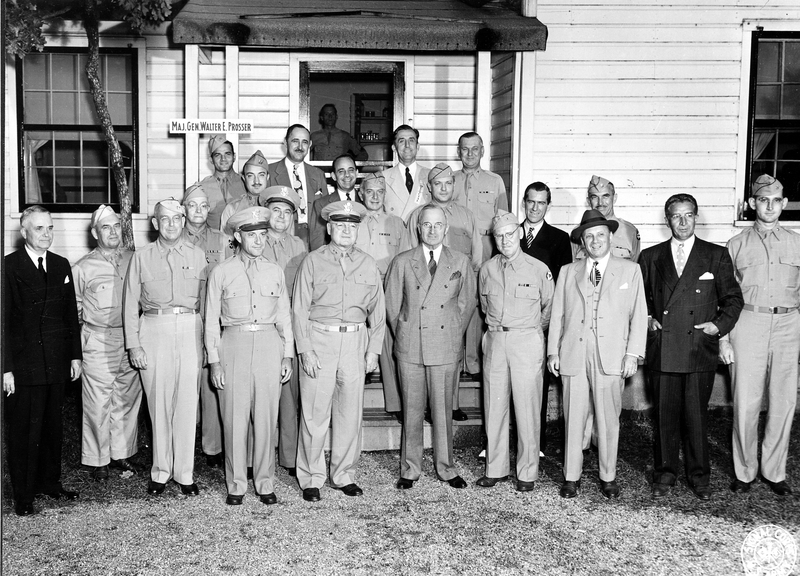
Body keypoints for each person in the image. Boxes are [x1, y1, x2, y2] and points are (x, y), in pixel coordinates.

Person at [639, 194, 743, 501]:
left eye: (688, 215)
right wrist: (647, 319)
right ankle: (665, 473)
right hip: (664, 347)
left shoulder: (715, 254)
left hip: (699, 346)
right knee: (665, 416)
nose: (683, 222)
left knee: (697, 416)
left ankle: (699, 476)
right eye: (676, 216)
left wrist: (717, 327)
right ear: (667, 220)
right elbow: (638, 300)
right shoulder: (651, 256)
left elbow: (733, 299)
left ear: (696, 217)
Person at [547, 210, 647, 499]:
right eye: (589, 236)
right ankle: (571, 476)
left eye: (600, 235)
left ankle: (608, 475)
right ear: (582, 241)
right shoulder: (568, 271)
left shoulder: (630, 270)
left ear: (610, 237)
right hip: (574, 352)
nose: (595, 241)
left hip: (611, 354)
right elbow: (557, 315)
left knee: (608, 418)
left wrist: (632, 354)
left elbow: (639, 315)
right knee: (573, 417)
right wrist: (553, 351)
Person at [292, 200, 385, 502]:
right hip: (321, 340)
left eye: (352, 226)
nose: (346, 231)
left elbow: (378, 312)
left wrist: (373, 350)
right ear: (329, 228)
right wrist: (305, 350)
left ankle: (344, 474)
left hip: (355, 342)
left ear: (358, 230)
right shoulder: (313, 261)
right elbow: (299, 309)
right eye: (340, 225)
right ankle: (311, 477)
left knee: (349, 414)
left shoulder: (368, 263)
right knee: (314, 414)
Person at [205, 206, 294, 506]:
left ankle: (265, 482)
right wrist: (214, 361)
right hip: (234, 345)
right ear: (238, 236)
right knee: (234, 418)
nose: (258, 240)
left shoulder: (274, 271)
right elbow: (211, 320)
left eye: (262, 235)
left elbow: (284, 316)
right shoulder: (221, 272)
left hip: (269, 344)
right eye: (252, 235)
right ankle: (236, 484)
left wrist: (287, 355)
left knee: (267, 419)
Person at [385, 203, 477, 490]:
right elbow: (392, 307)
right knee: (411, 411)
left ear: (446, 229)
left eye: (438, 225)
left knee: (443, 412)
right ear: (418, 228)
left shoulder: (460, 261)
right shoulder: (402, 261)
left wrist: (452, 333)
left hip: (445, 346)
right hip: (411, 346)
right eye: (427, 224)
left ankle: (446, 468)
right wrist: (406, 331)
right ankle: (410, 468)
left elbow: (466, 304)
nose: (433, 230)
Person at [721, 174, 800, 496]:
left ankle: (774, 471)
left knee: (784, 400)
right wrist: (724, 339)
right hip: (748, 322)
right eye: (763, 200)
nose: (770, 206)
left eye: (776, 201)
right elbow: (724, 296)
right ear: (753, 203)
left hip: (788, 324)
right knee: (745, 401)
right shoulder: (736, 244)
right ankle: (744, 472)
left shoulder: (797, 242)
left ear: (784, 204)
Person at [123, 199, 207, 497]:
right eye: (165, 219)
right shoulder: (142, 257)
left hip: (190, 328)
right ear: (155, 223)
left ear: (183, 221)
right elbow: (130, 303)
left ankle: (184, 473)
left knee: (187, 403)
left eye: (177, 218)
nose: (171, 224)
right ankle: (160, 471)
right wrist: (134, 345)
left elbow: (207, 301)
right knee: (158, 403)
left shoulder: (198, 255)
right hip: (154, 328)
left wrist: (208, 344)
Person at [4, 206, 82, 516]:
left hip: (56, 363)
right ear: (24, 232)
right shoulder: (9, 267)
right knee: (25, 432)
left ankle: (50, 483)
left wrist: (75, 355)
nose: (46, 234)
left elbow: (69, 316)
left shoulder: (61, 265)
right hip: (24, 367)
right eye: (39, 228)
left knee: (52, 427)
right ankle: (24, 495)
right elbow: (2, 324)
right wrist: (6, 369)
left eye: (50, 228)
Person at [476, 211, 554, 492]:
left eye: (510, 234)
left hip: (526, 341)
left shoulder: (538, 269)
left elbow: (549, 308)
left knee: (527, 407)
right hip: (496, 339)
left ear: (520, 233)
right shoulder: (487, 270)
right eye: (499, 236)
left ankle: (527, 472)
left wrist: (528, 331)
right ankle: (495, 468)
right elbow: (485, 306)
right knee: (494, 406)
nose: (505, 240)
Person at [406, 163, 482, 414]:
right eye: (437, 183)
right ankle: (428, 405)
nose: (443, 188)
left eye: (448, 183)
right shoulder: (418, 216)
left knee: (453, 349)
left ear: (454, 185)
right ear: (429, 187)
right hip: (425, 294)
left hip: (456, 290)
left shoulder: (466, 215)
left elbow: (476, 255)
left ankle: (452, 404)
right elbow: (408, 257)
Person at [73, 205, 141, 481]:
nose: (113, 232)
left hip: (130, 338)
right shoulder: (82, 267)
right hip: (99, 339)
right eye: (106, 228)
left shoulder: (134, 259)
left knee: (127, 398)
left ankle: (121, 454)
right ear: (94, 233)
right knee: (97, 402)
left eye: (116, 227)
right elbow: (74, 308)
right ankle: (98, 459)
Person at [520, 181, 573, 453]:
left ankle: (536, 443)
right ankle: (500, 441)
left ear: (548, 206)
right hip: (512, 321)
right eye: (531, 201)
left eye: (541, 203)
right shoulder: (510, 233)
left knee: (537, 384)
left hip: (541, 322)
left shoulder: (559, 239)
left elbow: (563, 286)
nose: (535, 208)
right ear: (524, 202)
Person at [259, 185, 307, 477]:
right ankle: (257, 457)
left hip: (289, 327)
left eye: (287, 212)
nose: (281, 216)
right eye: (275, 210)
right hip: (262, 325)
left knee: (290, 396)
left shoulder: (299, 247)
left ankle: (289, 457)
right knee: (260, 396)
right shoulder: (254, 241)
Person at [181, 182, 229, 468]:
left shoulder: (222, 241)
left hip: (214, 319)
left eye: (202, 205)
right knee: (186, 382)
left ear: (209, 209)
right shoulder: (175, 237)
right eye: (192, 205)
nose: (198, 210)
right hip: (186, 319)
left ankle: (212, 447)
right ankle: (185, 443)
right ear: (184, 209)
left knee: (212, 384)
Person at [354, 171, 406, 421]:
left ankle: (396, 404)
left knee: (389, 345)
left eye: (380, 192)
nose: (375, 197)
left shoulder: (396, 223)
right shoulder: (352, 221)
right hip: (357, 287)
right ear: (360, 193)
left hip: (387, 287)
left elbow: (405, 261)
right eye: (370, 192)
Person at [453, 132, 509, 263]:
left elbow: (503, 219)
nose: (470, 154)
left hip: (486, 247)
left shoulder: (495, 181)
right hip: (455, 245)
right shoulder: (449, 181)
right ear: (458, 152)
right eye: (465, 149)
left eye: (475, 149)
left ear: (482, 151)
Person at [269, 124, 328, 248]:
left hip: (313, 242)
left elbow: (325, 212)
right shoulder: (270, 172)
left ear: (310, 144)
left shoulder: (318, 175)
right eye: (295, 141)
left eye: (304, 142)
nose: (300, 147)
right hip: (281, 241)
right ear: (285, 142)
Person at [573, 175, 640, 262]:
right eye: (594, 197)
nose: (600, 203)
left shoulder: (630, 231)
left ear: (614, 198)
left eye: (605, 196)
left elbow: (635, 267)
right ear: (588, 201)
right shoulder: (579, 233)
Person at [309, 155, 360, 251]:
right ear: (333, 176)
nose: (347, 175)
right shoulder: (321, 204)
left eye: (351, 170)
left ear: (357, 173)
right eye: (341, 171)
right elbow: (317, 244)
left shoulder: (366, 202)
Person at [382, 125, 430, 222]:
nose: (407, 145)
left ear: (417, 146)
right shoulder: (383, 178)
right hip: (394, 230)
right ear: (394, 148)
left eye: (411, 140)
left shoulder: (430, 176)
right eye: (401, 141)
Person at [200, 134, 247, 230]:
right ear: (211, 160)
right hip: (213, 238)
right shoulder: (202, 188)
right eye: (217, 155)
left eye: (227, 154)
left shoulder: (246, 183)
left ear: (234, 157)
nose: (223, 159)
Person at [220, 150, 271, 235]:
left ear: (267, 177)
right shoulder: (232, 209)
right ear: (244, 178)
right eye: (250, 176)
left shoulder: (277, 207)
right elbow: (224, 240)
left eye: (261, 175)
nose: (256, 181)